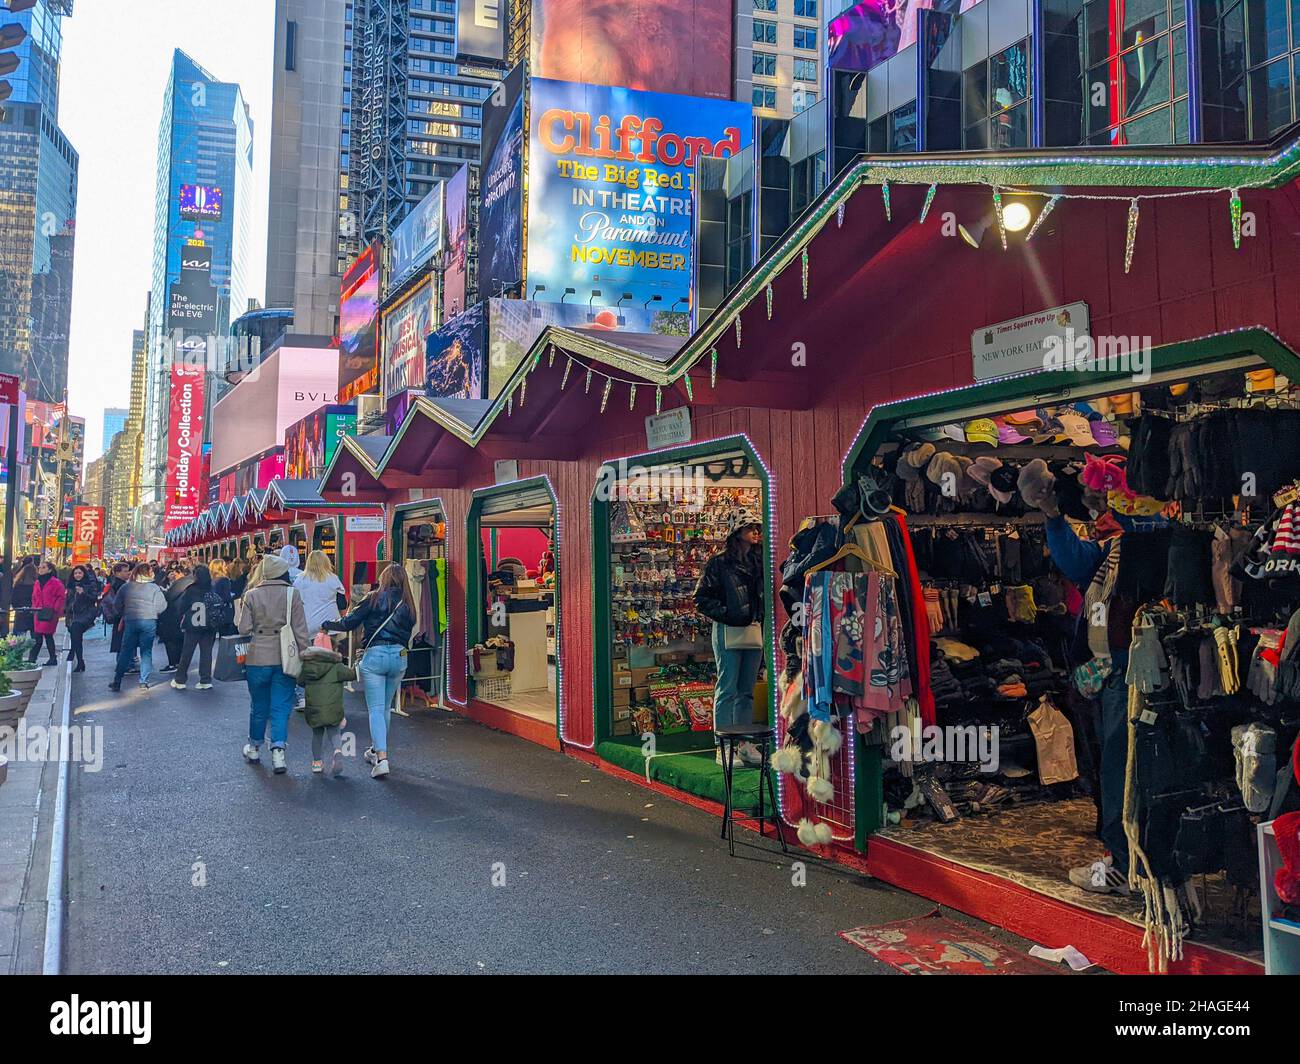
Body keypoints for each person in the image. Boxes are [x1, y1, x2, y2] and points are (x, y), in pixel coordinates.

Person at [322, 564, 416, 780]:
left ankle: (382, 758)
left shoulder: (374, 597)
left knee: (374, 708)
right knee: (385, 707)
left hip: (375, 655)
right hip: (399, 657)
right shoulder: (409, 603)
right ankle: (375, 751)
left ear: (384, 579)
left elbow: (349, 622)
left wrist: (326, 624)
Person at [693, 509, 766, 768]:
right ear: (737, 532)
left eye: (758, 526)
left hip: (755, 630)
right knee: (727, 688)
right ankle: (723, 745)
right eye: (750, 527)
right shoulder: (720, 563)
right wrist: (729, 614)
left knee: (746, 690)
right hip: (728, 630)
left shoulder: (761, 561)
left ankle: (744, 743)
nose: (756, 532)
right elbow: (701, 599)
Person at [237, 554, 310, 774]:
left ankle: (254, 746)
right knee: (281, 705)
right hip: (285, 656)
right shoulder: (292, 594)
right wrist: (306, 653)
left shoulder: (251, 595)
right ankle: (279, 751)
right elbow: (300, 629)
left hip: (257, 656)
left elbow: (243, 629)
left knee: (259, 706)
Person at [299, 643, 357, 776]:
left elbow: (300, 682)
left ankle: (317, 763)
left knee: (317, 735)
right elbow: (352, 675)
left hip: (314, 710)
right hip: (333, 708)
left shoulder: (307, 669)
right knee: (334, 731)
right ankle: (337, 751)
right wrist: (356, 663)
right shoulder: (336, 667)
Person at [171, 564, 230, 691]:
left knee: (187, 652)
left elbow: (181, 607)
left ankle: (180, 680)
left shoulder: (191, 590)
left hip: (193, 625)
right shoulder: (212, 588)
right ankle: (205, 680)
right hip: (210, 626)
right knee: (206, 652)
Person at [110, 563, 167, 692]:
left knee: (126, 650)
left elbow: (116, 604)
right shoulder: (154, 588)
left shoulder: (126, 587)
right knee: (146, 651)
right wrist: (153, 611)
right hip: (149, 621)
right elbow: (161, 606)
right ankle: (143, 681)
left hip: (131, 620)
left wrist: (124, 613)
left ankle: (117, 680)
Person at [294, 550, 346, 634]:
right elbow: (342, 604)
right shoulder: (333, 579)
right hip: (331, 625)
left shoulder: (299, 580)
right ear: (326, 562)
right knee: (331, 646)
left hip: (308, 625)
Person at [64, 564, 102, 672]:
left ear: (84, 574)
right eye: (75, 573)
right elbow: (67, 601)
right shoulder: (70, 586)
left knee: (76, 631)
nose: (77, 575)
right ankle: (78, 659)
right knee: (76, 637)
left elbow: (94, 599)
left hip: (85, 614)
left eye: (80, 573)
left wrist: (83, 593)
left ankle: (79, 660)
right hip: (72, 615)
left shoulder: (89, 585)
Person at [28, 560, 66, 666]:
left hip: (50, 613)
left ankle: (37, 658)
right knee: (39, 636)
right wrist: (34, 607)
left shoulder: (56, 582)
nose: (40, 569)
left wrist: (55, 608)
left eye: (43, 567)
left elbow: (61, 597)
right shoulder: (37, 582)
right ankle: (43, 658)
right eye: (40, 567)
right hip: (38, 612)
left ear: (49, 569)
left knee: (46, 635)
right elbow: (34, 596)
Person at [11, 560, 37, 640]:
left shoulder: (18, 585)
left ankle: (18, 651)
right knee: (35, 638)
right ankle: (33, 652)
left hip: (20, 612)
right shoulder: (36, 586)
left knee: (18, 639)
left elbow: (14, 600)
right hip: (33, 612)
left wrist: (17, 607)